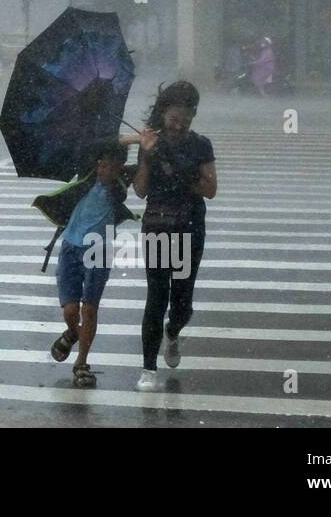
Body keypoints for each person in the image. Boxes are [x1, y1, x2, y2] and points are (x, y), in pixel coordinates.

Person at [132, 81, 218, 392]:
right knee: (156, 297)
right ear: (163, 114)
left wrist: (184, 172)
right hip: (157, 226)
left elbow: (211, 189)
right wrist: (149, 156)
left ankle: (174, 330)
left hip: (190, 228)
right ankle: (148, 368)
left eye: (186, 119)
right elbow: (140, 190)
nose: (179, 126)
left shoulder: (201, 145)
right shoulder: (149, 143)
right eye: (173, 119)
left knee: (183, 302)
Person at [48, 139, 132, 388]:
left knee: (90, 309)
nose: (105, 171)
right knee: (70, 310)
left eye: (112, 167)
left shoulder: (118, 188)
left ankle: (82, 362)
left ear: (120, 168)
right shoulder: (84, 177)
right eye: (102, 166)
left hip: (99, 250)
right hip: (70, 247)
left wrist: (139, 140)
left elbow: (137, 167)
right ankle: (73, 332)